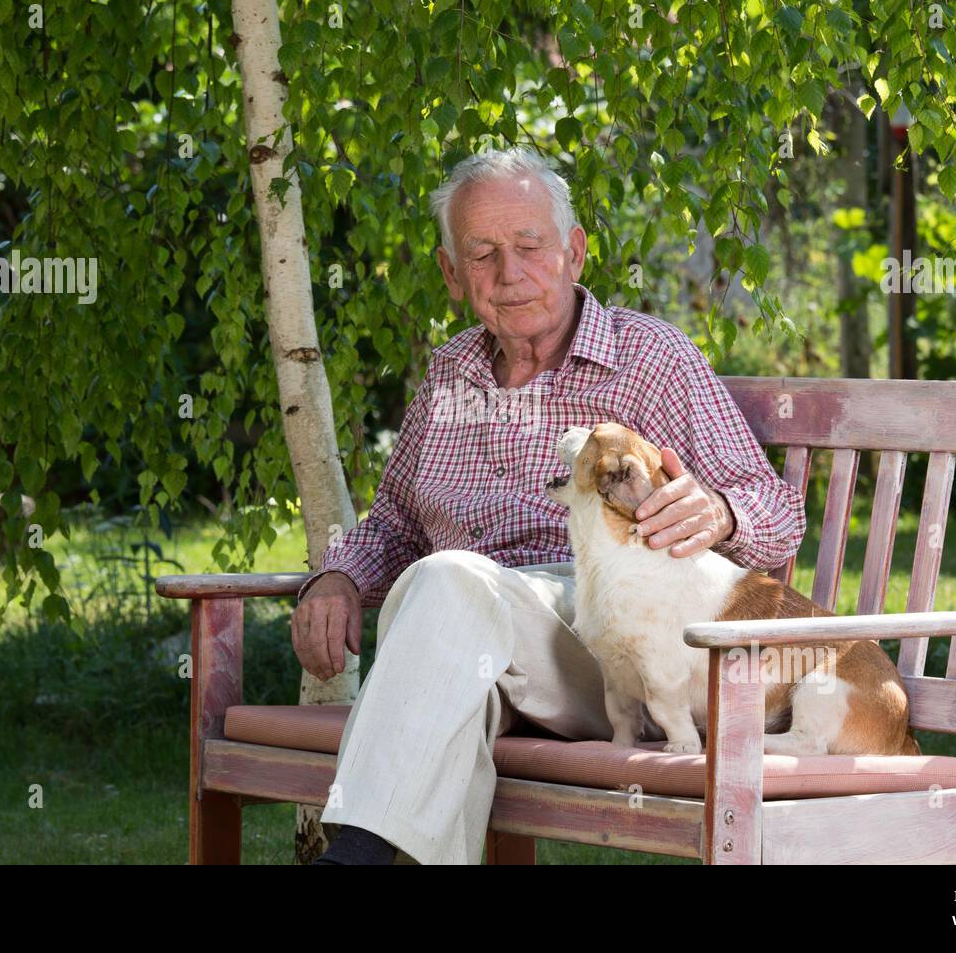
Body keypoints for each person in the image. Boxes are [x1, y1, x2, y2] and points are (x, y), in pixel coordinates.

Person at [292, 146, 806, 864]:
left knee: (449, 580)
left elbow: (776, 507)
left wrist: (720, 511)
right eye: (483, 254)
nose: (510, 273)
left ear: (574, 253)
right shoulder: (449, 375)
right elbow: (394, 526)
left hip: (607, 654)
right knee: (452, 644)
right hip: (468, 657)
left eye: (530, 246)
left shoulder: (651, 359)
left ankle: (353, 857)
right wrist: (339, 576)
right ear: (450, 273)